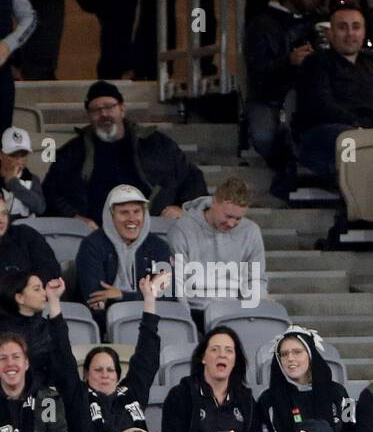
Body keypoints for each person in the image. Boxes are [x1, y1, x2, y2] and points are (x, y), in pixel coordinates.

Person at [44, 81, 207, 224]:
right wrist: (75, 218)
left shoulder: (156, 143)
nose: (104, 114)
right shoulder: (72, 151)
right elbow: (50, 191)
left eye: (109, 107)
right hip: (96, 233)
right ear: (89, 115)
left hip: (152, 226)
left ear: (122, 109)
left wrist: (180, 208)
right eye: (96, 110)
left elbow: (192, 178)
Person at [48, 274, 161, 432]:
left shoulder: (132, 393)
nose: (105, 374)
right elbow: (62, 355)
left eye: (110, 370)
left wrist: (150, 300)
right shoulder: (77, 396)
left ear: (118, 376)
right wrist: (54, 301)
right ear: (85, 374)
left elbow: (146, 358)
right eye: (98, 369)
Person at [291, 3, 373, 180]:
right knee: (350, 140)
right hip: (325, 135)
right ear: (331, 33)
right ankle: (353, 183)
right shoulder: (315, 63)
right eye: (342, 27)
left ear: (364, 32)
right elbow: (322, 105)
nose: (350, 33)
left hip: (364, 134)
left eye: (356, 27)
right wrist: (359, 128)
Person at [244, 0, 324, 181]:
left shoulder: (322, 21)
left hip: (314, 100)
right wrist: (289, 62)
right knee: (266, 137)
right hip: (270, 100)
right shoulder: (261, 23)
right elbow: (259, 74)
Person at [159, 326, 259, 432]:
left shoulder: (246, 400)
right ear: (203, 358)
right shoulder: (180, 395)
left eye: (229, 350)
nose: (222, 355)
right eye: (215, 349)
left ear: (235, 361)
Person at [72, 184, 172, 325]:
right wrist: (145, 296)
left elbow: (166, 297)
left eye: (137, 211)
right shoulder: (91, 246)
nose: (131, 218)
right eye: (124, 212)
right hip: (104, 327)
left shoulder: (159, 247)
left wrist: (122, 295)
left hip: (153, 322)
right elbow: (96, 302)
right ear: (110, 216)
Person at [166, 178, 268, 315]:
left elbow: (256, 279)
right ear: (214, 202)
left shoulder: (251, 231)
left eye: (238, 219)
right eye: (228, 216)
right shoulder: (183, 229)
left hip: (234, 308)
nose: (231, 224)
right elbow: (177, 282)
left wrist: (255, 310)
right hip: (196, 308)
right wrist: (185, 317)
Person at [256, 328, 357, 432]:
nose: (290, 358)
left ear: (310, 354)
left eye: (297, 352)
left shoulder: (340, 392)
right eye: (284, 354)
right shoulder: (267, 400)